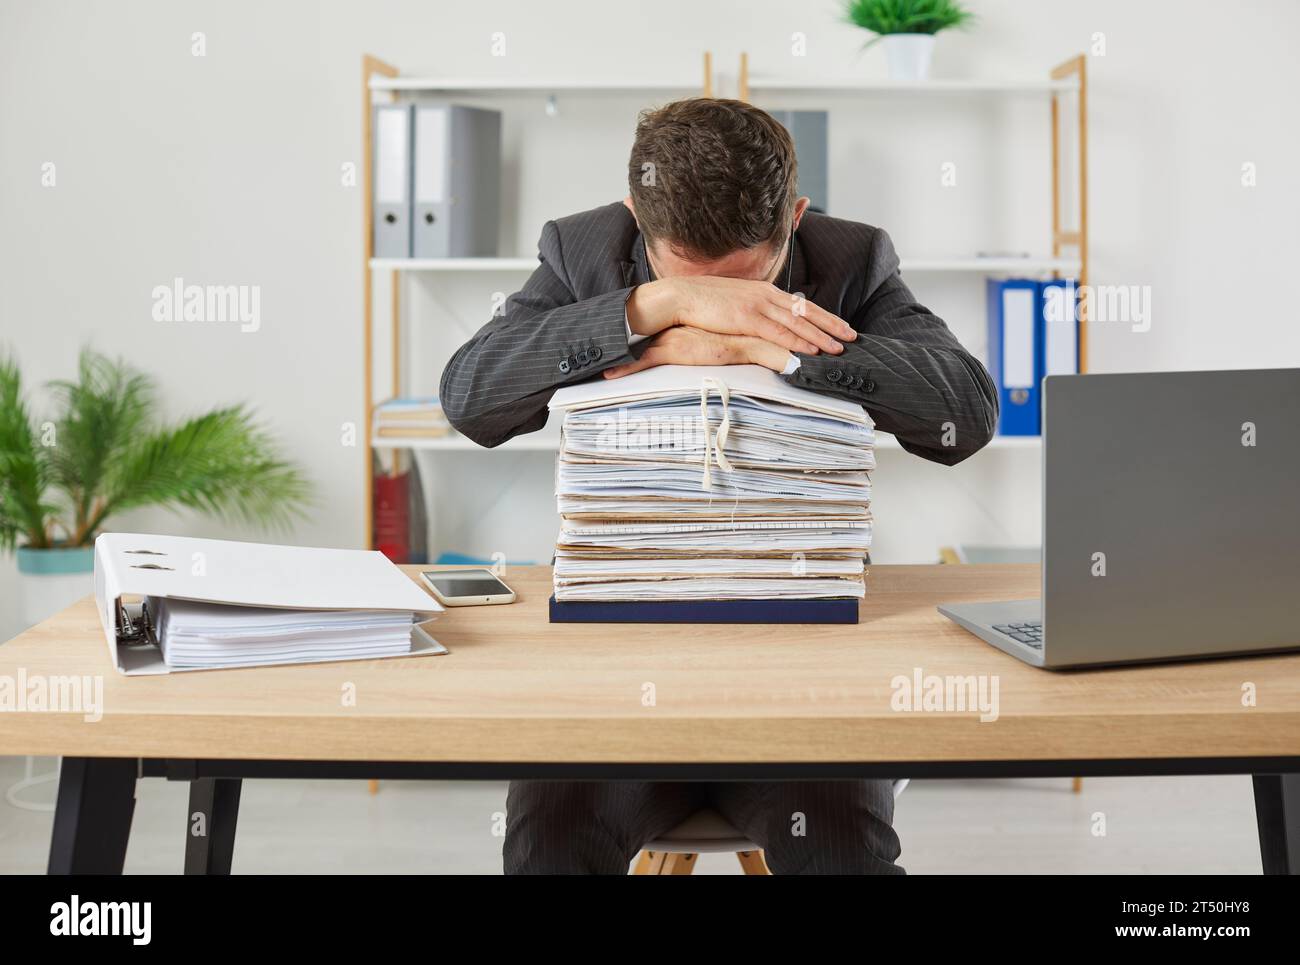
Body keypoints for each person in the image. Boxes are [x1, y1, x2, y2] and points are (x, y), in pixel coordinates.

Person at [440, 98, 998, 874]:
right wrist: (654, 308)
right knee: (549, 842)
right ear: (636, 216)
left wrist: (781, 343)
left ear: (795, 220)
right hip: (616, 664)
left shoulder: (852, 258)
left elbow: (964, 414)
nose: (724, 304)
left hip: (800, 673)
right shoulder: (582, 251)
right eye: (684, 276)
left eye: (748, 282)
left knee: (843, 850)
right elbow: (471, 397)